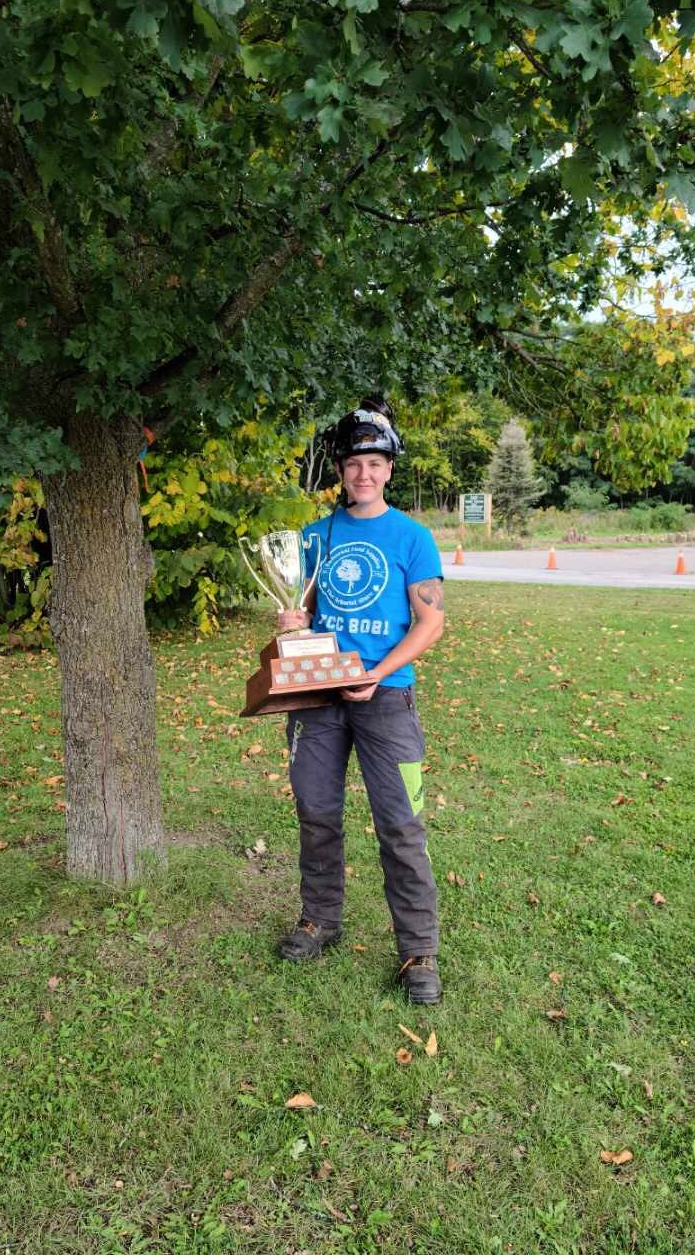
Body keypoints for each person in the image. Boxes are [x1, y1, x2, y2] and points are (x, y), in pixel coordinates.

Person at [274, 406, 448, 1004]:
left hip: (387, 699)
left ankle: (418, 951)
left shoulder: (412, 538)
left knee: (400, 824)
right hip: (318, 697)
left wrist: (378, 672)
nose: (363, 474)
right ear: (342, 471)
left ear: (389, 470)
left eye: (374, 463)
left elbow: (431, 624)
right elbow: (302, 608)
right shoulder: (314, 537)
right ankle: (320, 919)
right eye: (354, 464)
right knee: (317, 812)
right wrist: (290, 621)